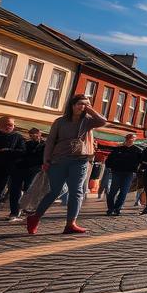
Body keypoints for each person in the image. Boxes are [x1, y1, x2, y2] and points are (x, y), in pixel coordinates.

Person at [27, 95, 107, 234]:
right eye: (80, 104)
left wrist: (91, 110)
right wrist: (46, 160)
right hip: (59, 160)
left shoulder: (88, 121)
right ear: (72, 105)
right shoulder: (60, 122)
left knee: (76, 191)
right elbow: (50, 141)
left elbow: (103, 121)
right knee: (54, 191)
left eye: (86, 105)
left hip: (80, 160)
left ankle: (71, 223)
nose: (83, 107)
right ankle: (35, 217)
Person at [8, 127, 45, 220]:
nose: (34, 136)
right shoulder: (25, 143)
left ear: (40, 134)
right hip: (19, 169)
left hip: (34, 169)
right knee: (15, 190)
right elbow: (19, 153)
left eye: (36, 133)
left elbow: (42, 156)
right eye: (32, 134)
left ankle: (25, 209)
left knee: (29, 190)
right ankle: (14, 212)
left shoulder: (44, 145)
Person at [105, 134, 141, 216]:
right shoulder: (118, 149)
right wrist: (110, 167)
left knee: (124, 192)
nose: (130, 140)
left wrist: (136, 169)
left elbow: (141, 161)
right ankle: (110, 208)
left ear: (134, 140)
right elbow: (109, 159)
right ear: (126, 139)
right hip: (116, 172)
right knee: (112, 192)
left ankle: (117, 208)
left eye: (132, 139)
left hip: (129, 173)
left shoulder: (137, 150)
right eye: (129, 139)